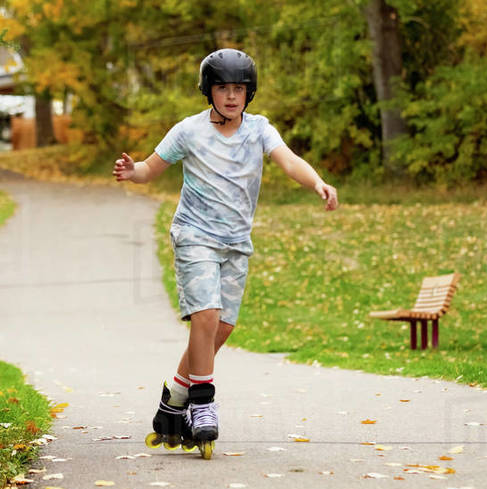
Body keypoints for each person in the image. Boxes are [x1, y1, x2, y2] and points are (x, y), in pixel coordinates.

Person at [112, 49, 338, 458]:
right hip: (195, 235)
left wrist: (317, 182)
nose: (231, 96)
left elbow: (288, 161)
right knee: (206, 315)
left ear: (248, 94)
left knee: (220, 329)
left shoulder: (259, 130)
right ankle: (203, 404)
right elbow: (150, 168)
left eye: (239, 89)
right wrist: (134, 172)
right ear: (208, 91)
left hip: (236, 242)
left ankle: (172, 404)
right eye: (223, 88)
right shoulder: (189, 131)